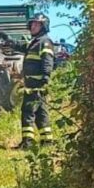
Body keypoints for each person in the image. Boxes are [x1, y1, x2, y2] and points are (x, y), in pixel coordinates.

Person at [19, 14, 56, 149]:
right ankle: (47, 141)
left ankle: (27, 142)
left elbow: (47, 61)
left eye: (37, 24)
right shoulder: (34, 42)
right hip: (33, 84)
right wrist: (6, 39)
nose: (33, 26)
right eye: (32, 24)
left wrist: (45, 78)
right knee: (41, 113)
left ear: (43, 26)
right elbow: (20, 47)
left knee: (27, 111)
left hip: (36, 84)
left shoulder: (44, 42)